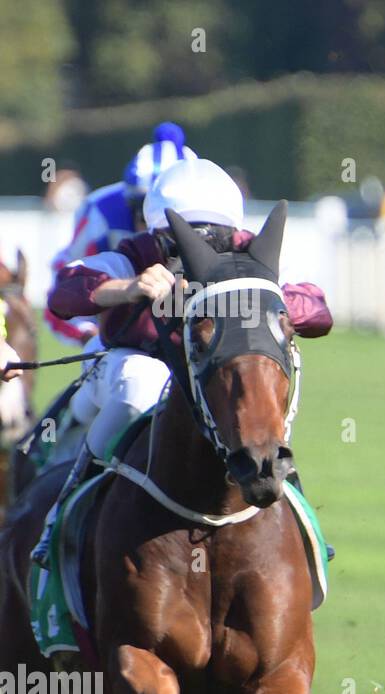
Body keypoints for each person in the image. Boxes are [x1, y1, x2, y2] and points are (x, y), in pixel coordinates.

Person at [34, 158, 333, 567]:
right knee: (140, 385)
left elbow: (318, 310)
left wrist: (274, 303)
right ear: (158, 232)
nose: (199, 251)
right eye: (183, 240)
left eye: (216, 238)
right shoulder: (136, 254)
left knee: (257, 390)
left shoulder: (249, 255)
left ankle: (303, 523)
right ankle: (68, 507)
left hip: (210, 372)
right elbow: (65, 292)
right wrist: (129, 287)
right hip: (137, 361)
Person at [45, 122, 196, 346]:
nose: (155, 226)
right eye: (143, 210)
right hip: (120, 335)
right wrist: (87, 333)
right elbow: (64, 286)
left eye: (172, 215)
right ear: (129, 202)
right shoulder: (100, 211)